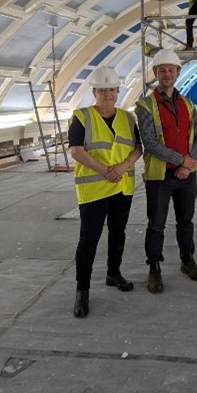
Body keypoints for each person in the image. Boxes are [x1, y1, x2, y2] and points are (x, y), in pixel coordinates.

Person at [68, 66, 142, 318]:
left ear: (118, 91)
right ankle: (82, 291)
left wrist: (122, 166)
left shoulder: (128, 118)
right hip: (94, 189)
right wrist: (105, 170)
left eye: (111, 89)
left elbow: (138, 148)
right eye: (102, 90)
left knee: (118, 233)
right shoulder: (81, 116)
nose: (107, 94)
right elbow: (76, 150)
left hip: (121, 186)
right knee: (89, 239)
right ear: (94, 92)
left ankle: (114, 273)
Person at [135, 49, 197, 294]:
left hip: (187, 176)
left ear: (178, 72)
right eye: (162, 70)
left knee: (186, 221)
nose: (167, 74)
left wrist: (188, 163)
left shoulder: (187, 103)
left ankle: (188, 260)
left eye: (171, 70)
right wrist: (182, 161)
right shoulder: (145, 106)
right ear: (155, 73)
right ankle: (154, 267)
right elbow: (150, 143)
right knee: (156, 224)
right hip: (160, 177)